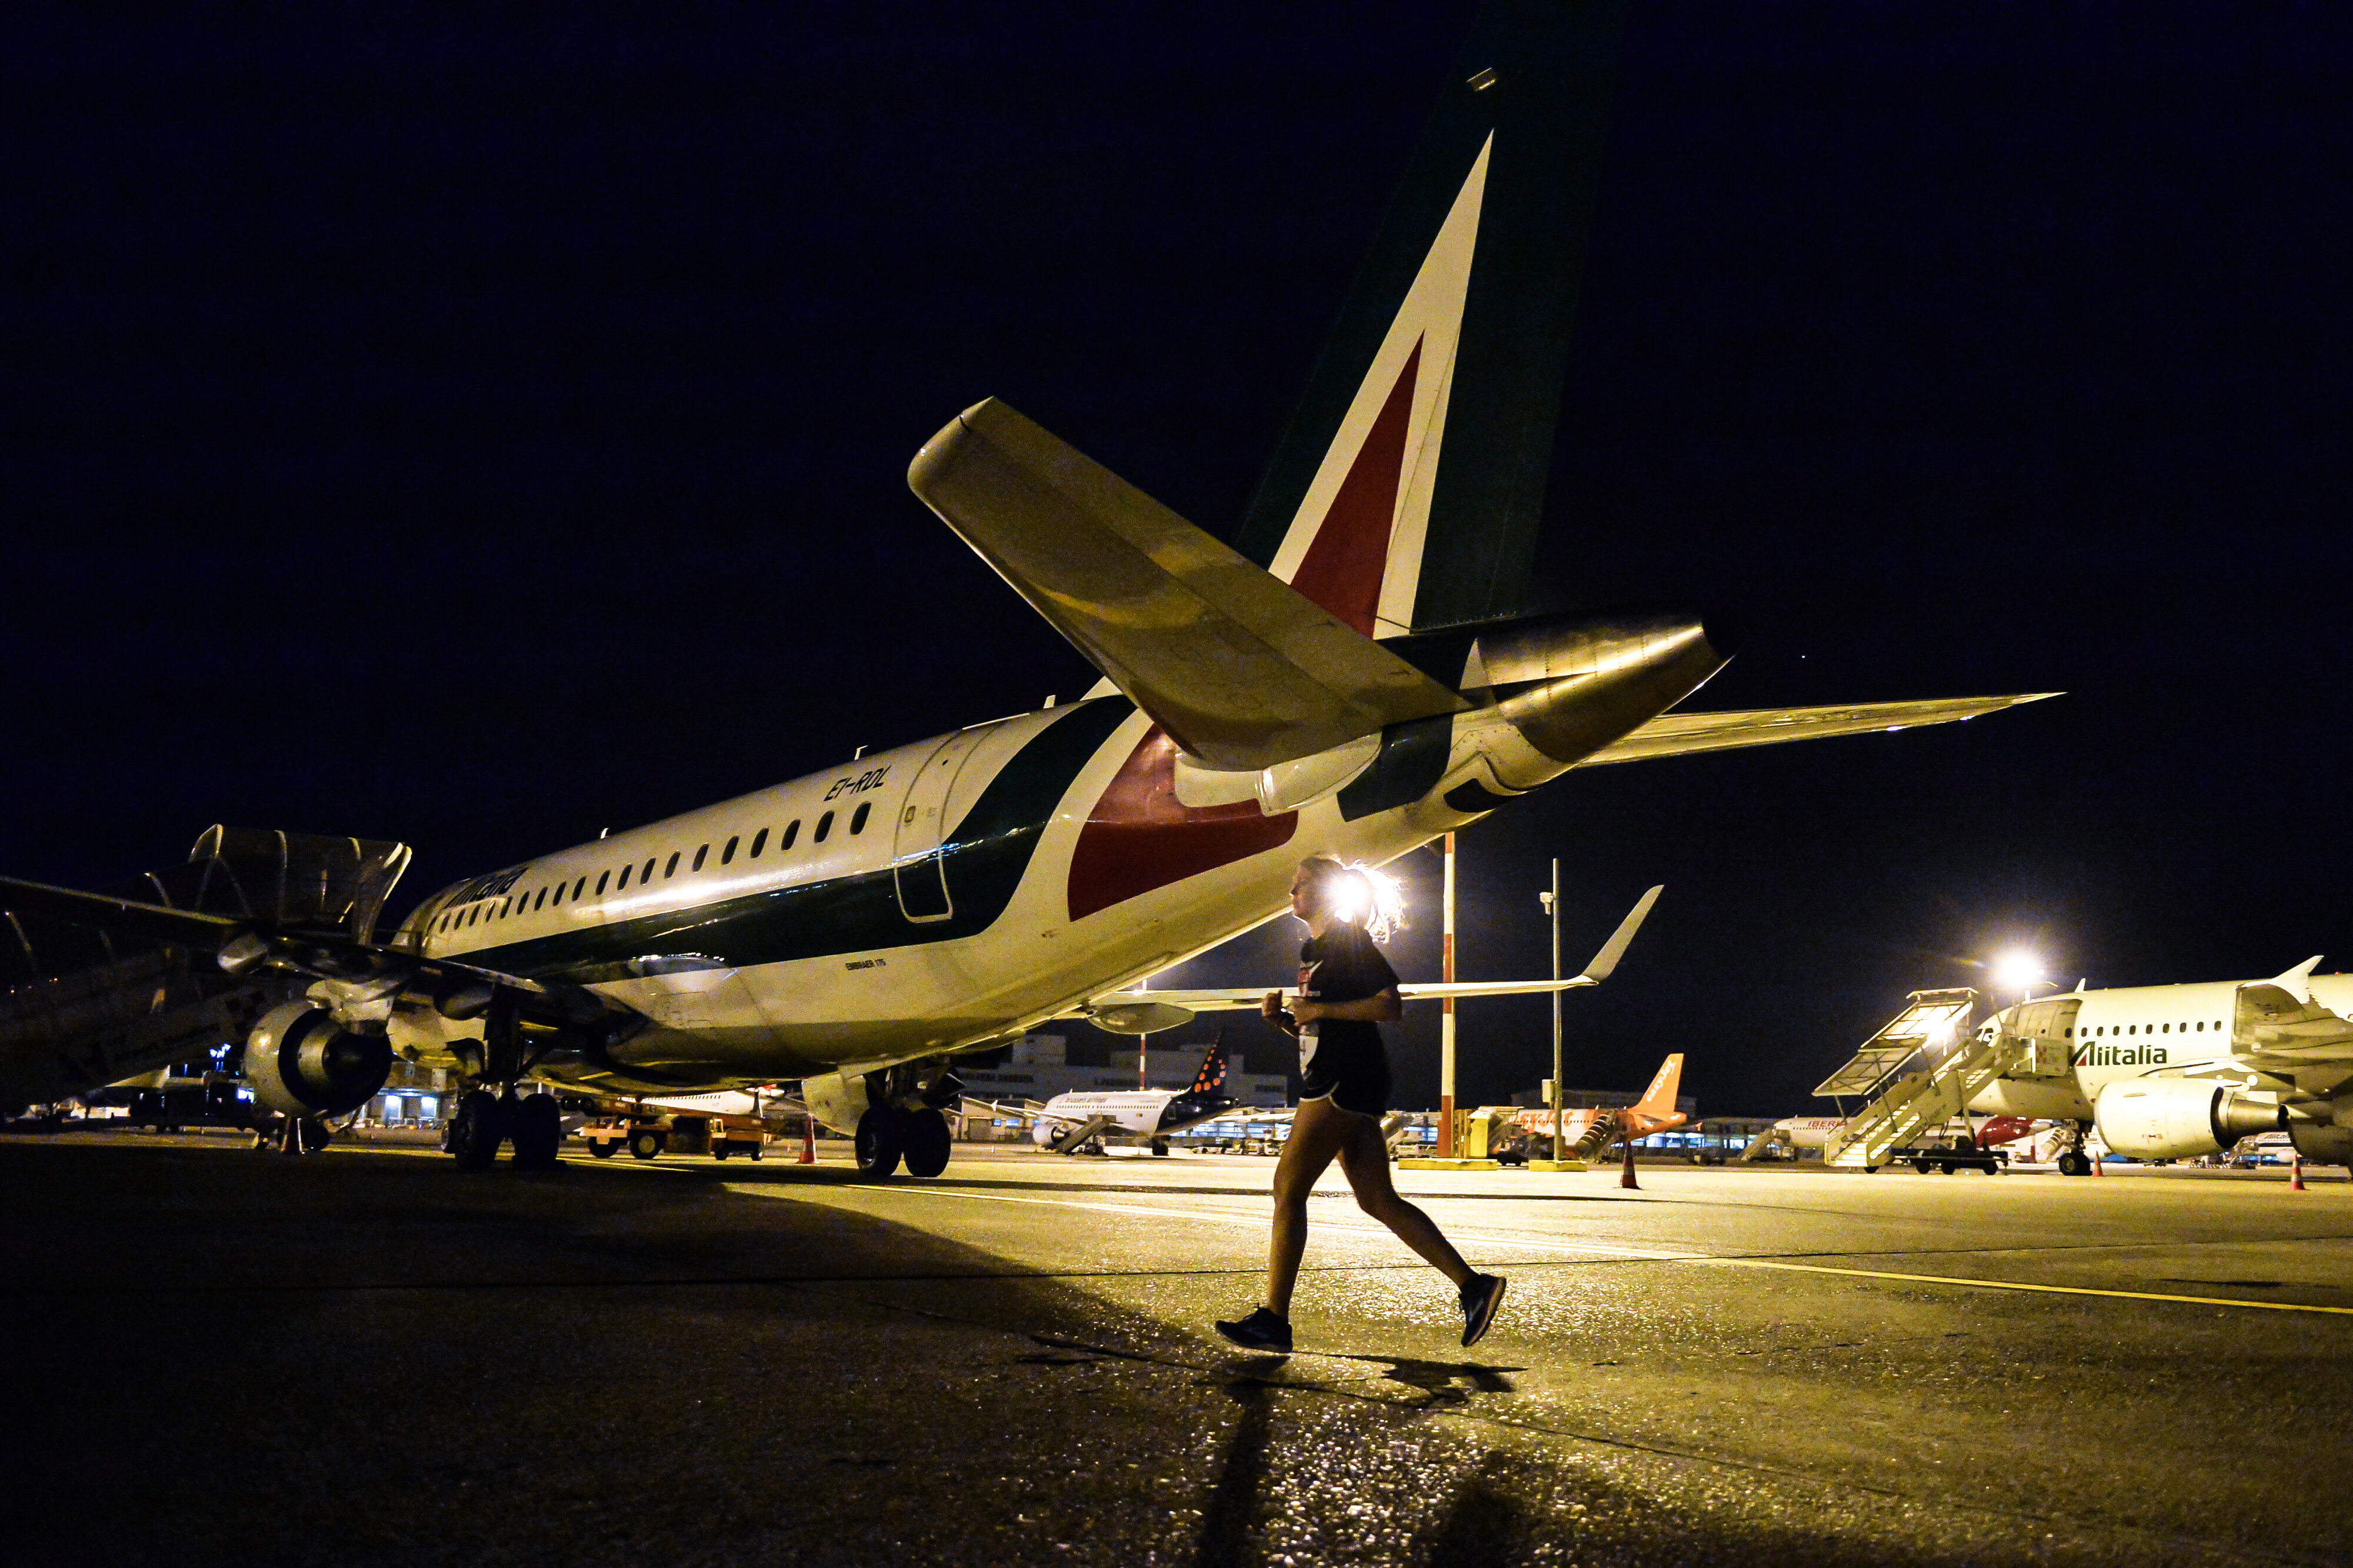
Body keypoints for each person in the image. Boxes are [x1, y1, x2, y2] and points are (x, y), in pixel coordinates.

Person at [1215, 855, 1507, 1355]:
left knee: (1287, 1188)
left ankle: (1274, 1321)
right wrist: (1287, 1022)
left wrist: (1320, 1009)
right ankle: (1474, 1286)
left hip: (1341, 1081)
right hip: (1340, 1076)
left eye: (1301, 885)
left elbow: (1389, 1005)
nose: (1292, 894)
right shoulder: (1315, 950)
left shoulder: (1349, 940)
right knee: (1376, 1200)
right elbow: (1323, 1023)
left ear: (1327, 893)